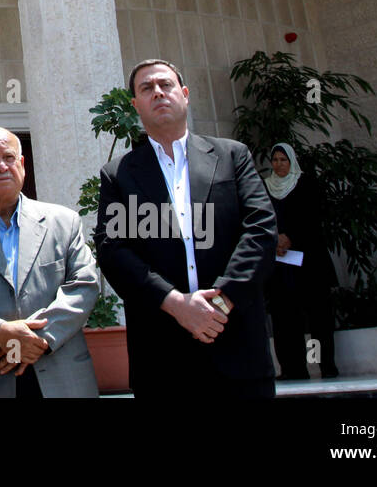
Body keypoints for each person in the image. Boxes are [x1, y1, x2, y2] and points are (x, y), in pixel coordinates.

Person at [95, 59, 277, 398]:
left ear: (185, 94)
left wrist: (220, 303)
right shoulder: (119, 174)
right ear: (135, 105)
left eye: (165, 84)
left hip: (237, 346)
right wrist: (177, 304)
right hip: (163, 358)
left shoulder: (232, 156)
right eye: (146, 88)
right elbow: (113, 251)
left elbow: (261, 231)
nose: (158, 92)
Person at [0, 126, 98, 397]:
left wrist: (34, 340)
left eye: (8, 157)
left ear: (23, 165)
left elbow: (84, 286)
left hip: (61, 375)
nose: (2, 166)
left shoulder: (64, 222)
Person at [264, 142, 338, 380]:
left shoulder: (306, 184)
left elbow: (313, 218)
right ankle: (292, 369)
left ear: (292, 161)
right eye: (275, 160)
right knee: (285, 319)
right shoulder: (264, 187)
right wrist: (275, 238)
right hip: (281, 266)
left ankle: (324, 366)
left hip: (309, 264)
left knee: (318, 319)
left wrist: (291, 237)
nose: (279, 164)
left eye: (283, 160)